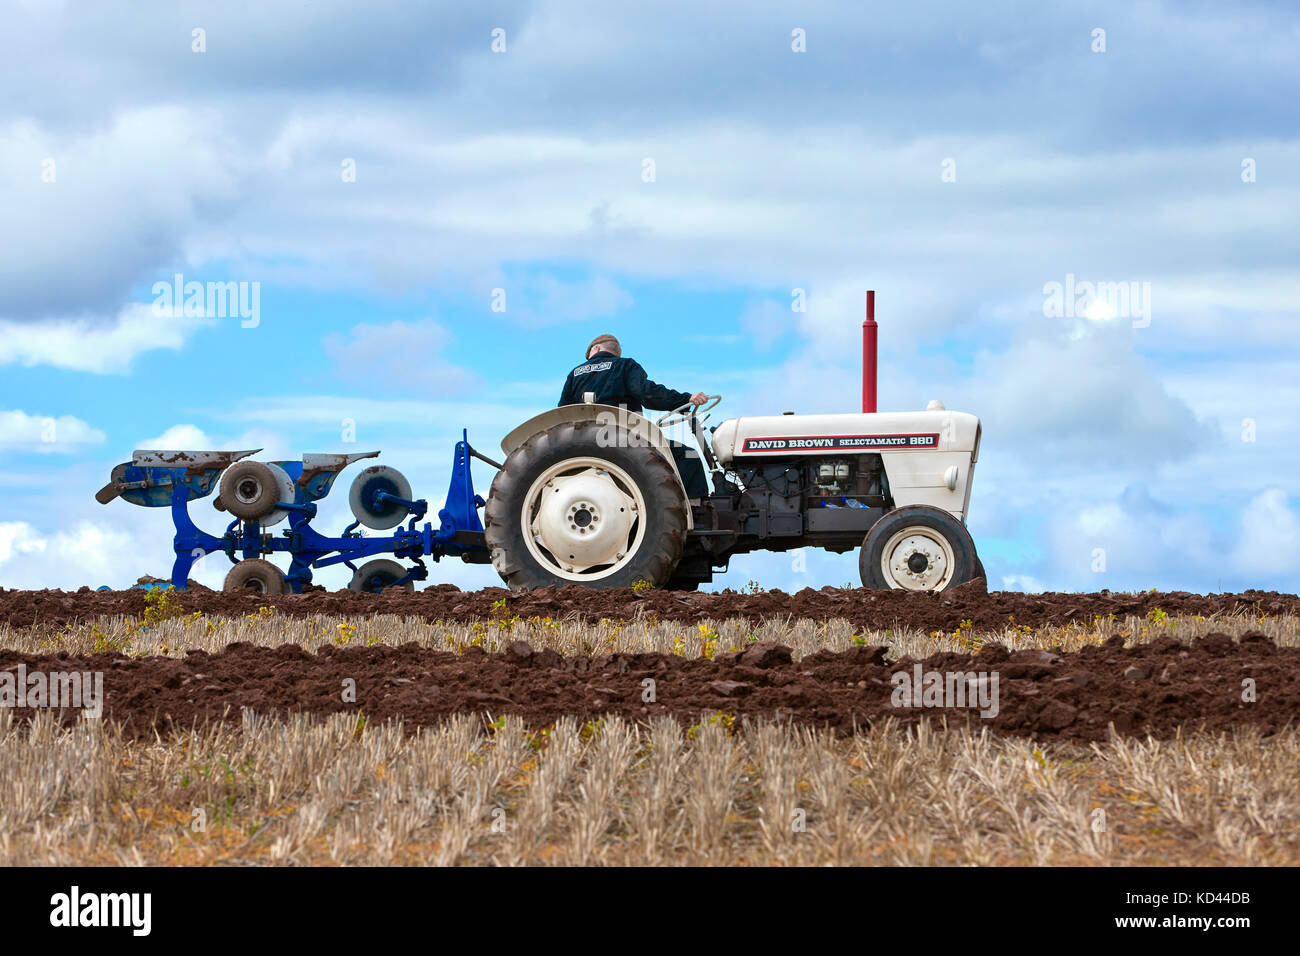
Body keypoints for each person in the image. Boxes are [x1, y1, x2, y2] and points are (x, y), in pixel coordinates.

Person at [559, 334, 710, 497]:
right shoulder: (624, 365)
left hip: (582, 440)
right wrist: (685, 399)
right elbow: (648, 394)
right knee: (688, 458)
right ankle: (696, 515)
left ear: (595, 349)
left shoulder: (574, 373)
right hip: (623, 438)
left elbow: (562, 413)